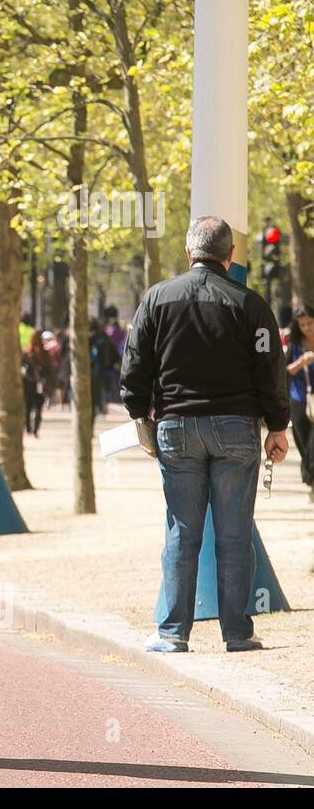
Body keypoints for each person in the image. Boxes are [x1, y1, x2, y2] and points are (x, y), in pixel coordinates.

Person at [121, 216, 290, 653]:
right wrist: (277, 426)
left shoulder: (158, 298)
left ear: (188, 252)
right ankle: (237, 632)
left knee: (182, 531)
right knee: (234, 533)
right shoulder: (249, 303)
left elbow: (135, 363)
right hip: (236, 426)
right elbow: (269, 370)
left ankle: (173, 632)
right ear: (230, 255)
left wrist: (142, 417)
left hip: (176, 427)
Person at [284, 305, 314, 502]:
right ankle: (311, 480)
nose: (307, 328)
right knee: (303, 443)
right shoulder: (295, 344)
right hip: (299, 400)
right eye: (302, 325)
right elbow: (285, 371)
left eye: (310, 323)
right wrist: (303, 361)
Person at [22, 331, 53, 437]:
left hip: (29, 383)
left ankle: (29, 429)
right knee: (37, 407)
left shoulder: (27, 353)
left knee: (28, 407)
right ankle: (34, 429)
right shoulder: (43, 353)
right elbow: (49, 369)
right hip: (39, 383)